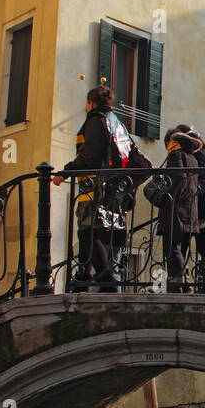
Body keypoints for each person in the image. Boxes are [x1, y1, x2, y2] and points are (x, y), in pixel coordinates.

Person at [55, 86, 132, 291]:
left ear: (91, 102)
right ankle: (86, 277)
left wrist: (65, 172)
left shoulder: (95, 121)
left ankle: (105, 280)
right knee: (97, 232)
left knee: (88, 231)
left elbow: (90, 154)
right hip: (117, 187)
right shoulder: (118, 124)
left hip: (96, 186)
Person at [175, 125, 205, 293]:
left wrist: (191, 193)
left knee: (192, 246)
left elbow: (204, 179)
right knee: (200, 247)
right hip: (199, 207)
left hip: (198, 207)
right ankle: (200, 284)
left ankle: (195, 284)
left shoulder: (197, 153)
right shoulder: (202, 151)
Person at [156, 126, 201, 292]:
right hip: (190, 210)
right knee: (181, 248)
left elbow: (178, 181)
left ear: (170, 142)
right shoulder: (192, 158)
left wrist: (166, 194)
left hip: (175, 210)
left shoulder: (175, 155)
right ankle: (183, 284)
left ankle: (176, 284)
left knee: (172, 248)